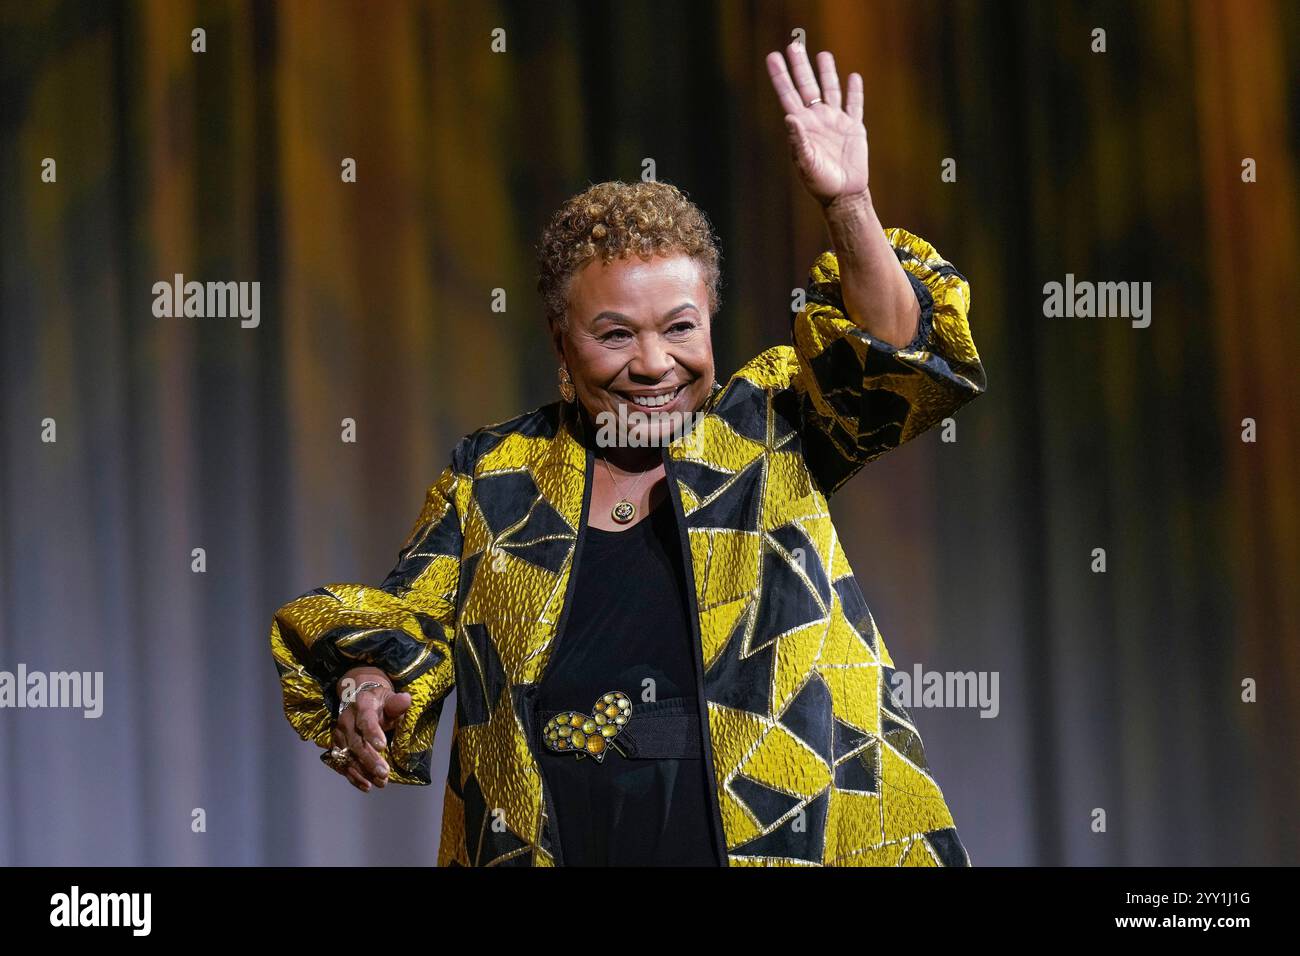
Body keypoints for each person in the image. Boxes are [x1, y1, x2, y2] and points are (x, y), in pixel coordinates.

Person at [269, 42, 986, 866]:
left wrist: (850, 204)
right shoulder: (495, 476)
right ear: (561, 343)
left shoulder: (767, 424)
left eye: (680, 327)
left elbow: (893, 359)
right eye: (616, 334)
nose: (653, 362)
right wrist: (369, 685)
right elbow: (406, 622)